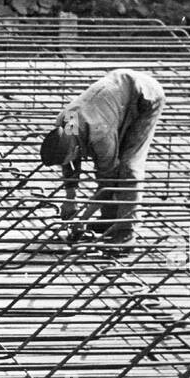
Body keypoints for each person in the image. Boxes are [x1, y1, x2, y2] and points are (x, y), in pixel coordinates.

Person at [39, 68, 164, 252]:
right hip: (116, 97)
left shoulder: (99, 135)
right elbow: (69, 162)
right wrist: (70, 199)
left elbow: (108, 181)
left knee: (128, 166)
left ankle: (126, 232)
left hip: (144, 97)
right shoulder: (66, 123)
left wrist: (83, 218)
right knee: (112, 164)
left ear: (76, 148)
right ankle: (110, 220)